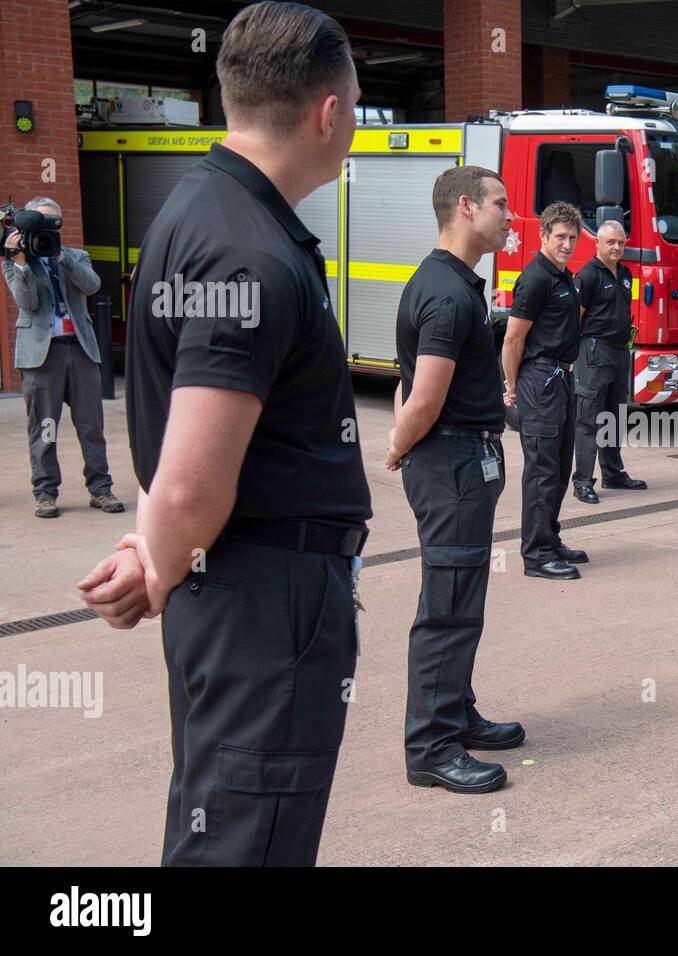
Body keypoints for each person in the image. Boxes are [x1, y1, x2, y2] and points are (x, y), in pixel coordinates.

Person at [78, 1, 370, 866]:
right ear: (328, 113)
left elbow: (174, 436)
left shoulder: (202, 210)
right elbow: (191, 482)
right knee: (249, 840)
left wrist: (151, 548)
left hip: (238, 592)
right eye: (355, 103)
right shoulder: (248, 250)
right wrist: (162, 559)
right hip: (264, 604)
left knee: (222, 821)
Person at [386, 165, 521, 795]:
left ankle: (455, 712)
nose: (509, 216)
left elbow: (405, 380)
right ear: (464, 208)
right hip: (451, 463)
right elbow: (422, 397)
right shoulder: (444, 291)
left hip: (464, 461)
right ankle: (432, 746)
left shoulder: (452, 283)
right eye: (500, 204)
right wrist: (399, 446)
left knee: (463, 598)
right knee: (447, 605)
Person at [3, 198, 123, 519]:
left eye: (54, 222)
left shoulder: (75, 255)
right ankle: (45, 493)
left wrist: (60, 259)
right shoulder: (15, 261)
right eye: (41, 222)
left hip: (81, 349)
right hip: (42, 356)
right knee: (44, 428)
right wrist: (22, 263)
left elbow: (93, 285)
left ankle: (100, 489)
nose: (48, 228)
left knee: (91, 425)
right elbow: (26, 303)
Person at [502, 201, 589, 580]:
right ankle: (536, 556)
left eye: (572, 237)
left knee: (559, 467)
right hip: (540, 379)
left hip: (562, 378)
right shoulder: (535, 278)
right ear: (543, 235)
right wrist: (511, 385)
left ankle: (549, 539)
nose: (567, 244)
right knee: (541, 470)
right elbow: (512, 339)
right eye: (560, 237)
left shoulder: (563, 277)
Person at [571, 220, 647, 504]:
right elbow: (575, 316)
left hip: (618, 352)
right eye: (611, 242)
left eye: (621, 242)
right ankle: (582, 481)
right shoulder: (588, 275)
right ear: (598, 244)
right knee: (589, 418)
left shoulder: (625, 273)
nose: (616, 247)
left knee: (614, 417)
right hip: (594, 351)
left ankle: (613, 473)